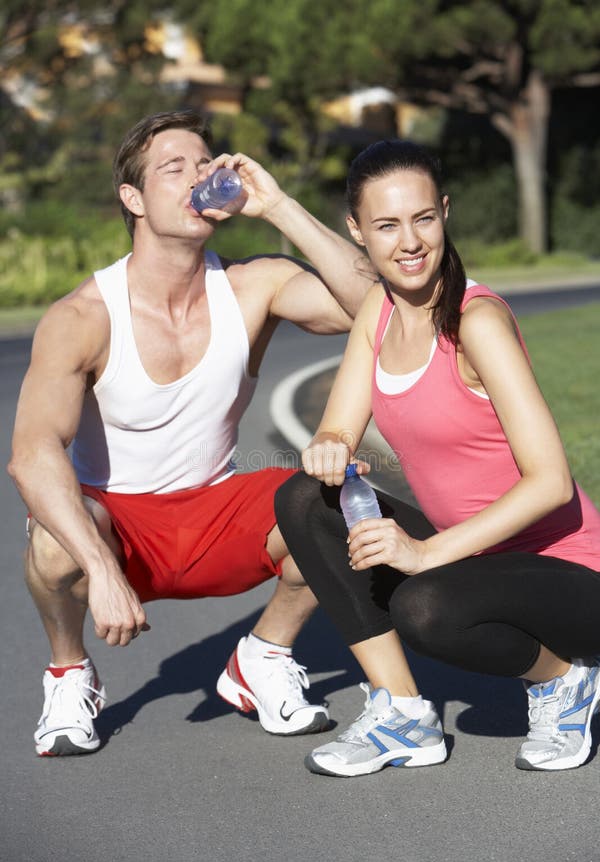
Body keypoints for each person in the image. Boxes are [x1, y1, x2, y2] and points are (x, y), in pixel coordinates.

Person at [8, 108, 375, 757]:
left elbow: (372, 303)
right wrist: (103, 567)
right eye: (173, 168)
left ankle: (261, 658)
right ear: (133, 198)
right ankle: (69, 673)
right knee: (52, 537)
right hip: (116, 526)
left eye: (204, 165)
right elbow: (32, 456)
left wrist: (281, 206)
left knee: (337, 502)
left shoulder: (251, 287)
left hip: (214, 513)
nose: (197, 178)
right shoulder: (83, 316)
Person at [275, 139, 600, 777]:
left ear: (445, 212)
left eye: (423, 218)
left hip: (568, 576)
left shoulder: (476, 323)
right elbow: (339, 427)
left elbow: (551, 484)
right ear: (357, 231)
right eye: (387, 225)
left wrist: (423, 554)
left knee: (424, 606)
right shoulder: (377, 309)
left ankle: (565, 680)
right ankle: (402, 713)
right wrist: (329, 447)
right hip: (473, 558)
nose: (410, 241)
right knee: (305, 499)